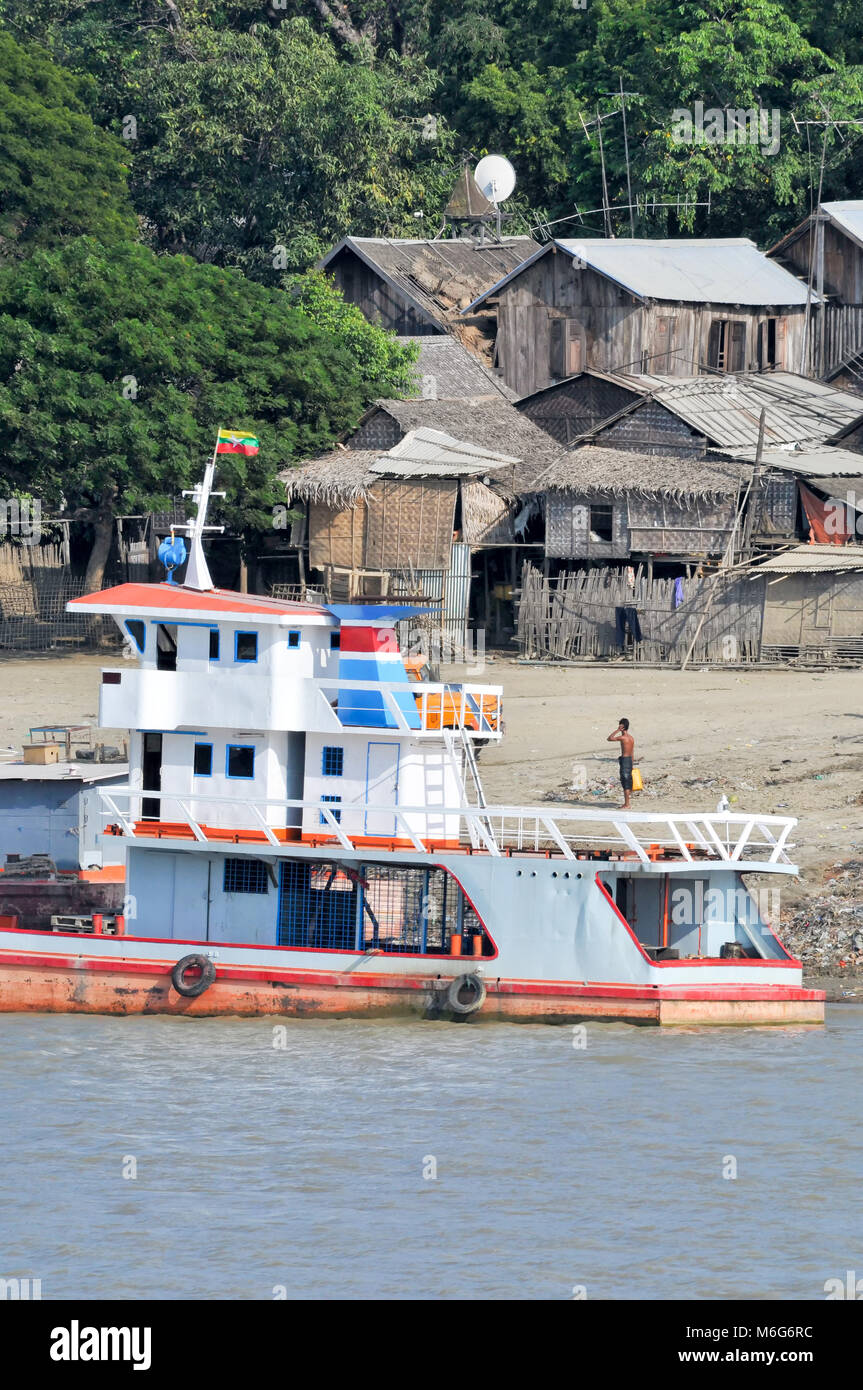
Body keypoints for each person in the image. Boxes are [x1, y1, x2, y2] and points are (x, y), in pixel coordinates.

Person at [607, 718, 635, 810]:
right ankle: (627, 803)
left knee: (625, 782)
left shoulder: (623, 738)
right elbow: (632, 752)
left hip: (625, 761)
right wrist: (632, 764)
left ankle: (627, 804)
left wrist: (617, 730)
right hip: (629, 761)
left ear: (622, 726)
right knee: (628, 781)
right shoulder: (631, 738)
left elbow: (609, 738)